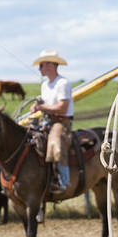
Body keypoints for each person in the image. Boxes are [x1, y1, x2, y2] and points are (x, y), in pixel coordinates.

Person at [32, 49, 74, 191]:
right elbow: (46, 104)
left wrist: (41, 108)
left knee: (56, 144)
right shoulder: (45, 85)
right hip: (47, 121)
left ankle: (64, 181)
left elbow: (62, 108)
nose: (39, 68)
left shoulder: (63, 83)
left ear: (50, 65)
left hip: (62, 122)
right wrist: (37, 106)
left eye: (42, 65)